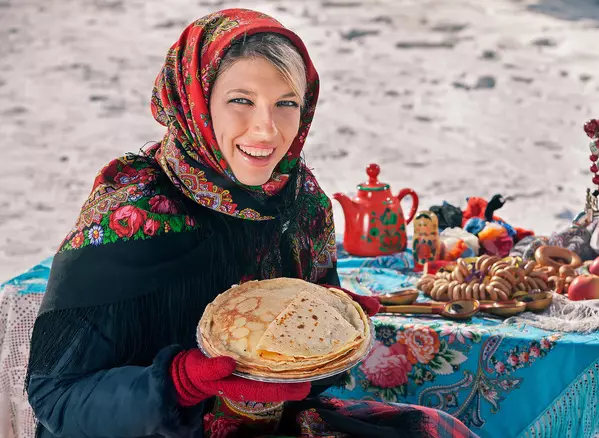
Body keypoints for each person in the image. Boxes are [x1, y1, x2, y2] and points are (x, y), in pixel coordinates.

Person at [25, 9, 477, 438]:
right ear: (195, 101)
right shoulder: (134, 214)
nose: (266, 130)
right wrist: (181, 383)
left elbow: (302, 380)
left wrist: (325, 338)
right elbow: (55, 395)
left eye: (286, 103)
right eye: (241, 100)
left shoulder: (300, 202)